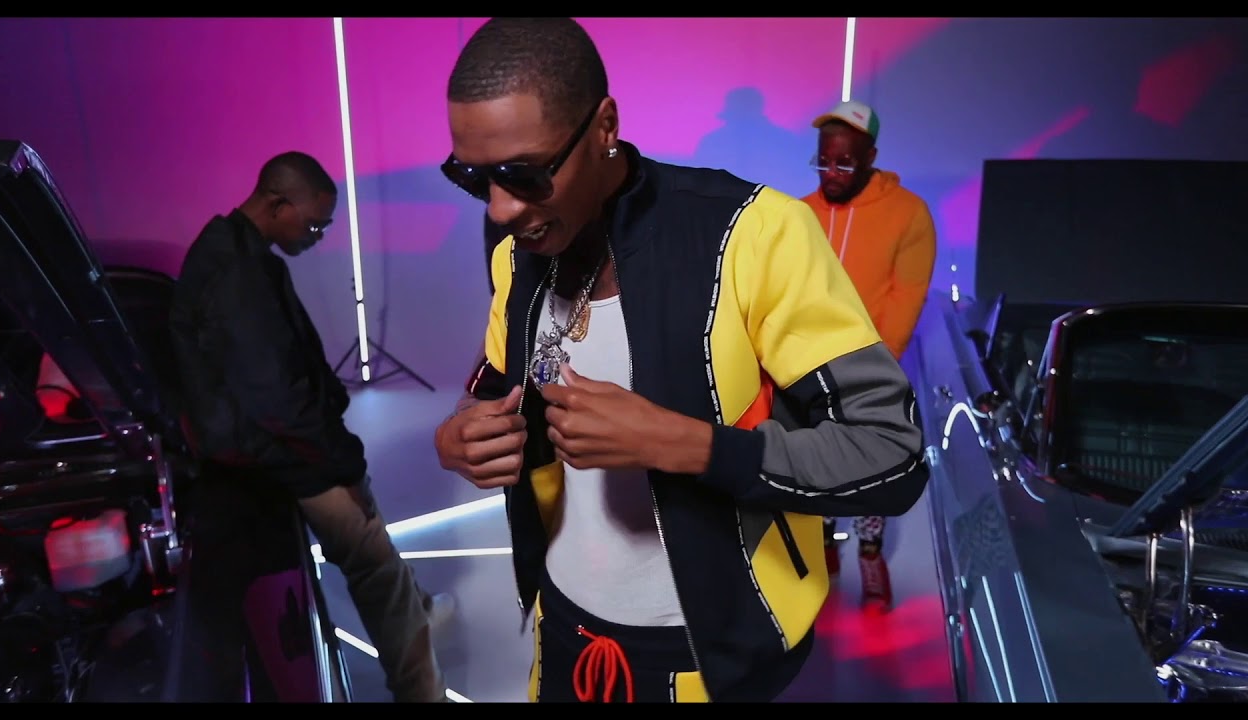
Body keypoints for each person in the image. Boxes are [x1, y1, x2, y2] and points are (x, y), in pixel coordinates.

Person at [433, 18, 929, 704]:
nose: (501, 207)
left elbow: (892, 453)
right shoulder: (516, 256)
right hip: (562, 632)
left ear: (604, 126)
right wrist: (463, 431)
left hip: (702, 659)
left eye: (526, 174)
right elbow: (496, 384)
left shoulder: (753, 235)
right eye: (473, 177)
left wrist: (687, 445)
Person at [168, 151, 453, 702]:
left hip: (267, 442)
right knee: (374, 564)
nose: (318, 236)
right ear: (278, 204)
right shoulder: (238, 277)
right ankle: (423, 693)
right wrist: (342, 460)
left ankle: (418, 609)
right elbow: (277, 400)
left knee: (373, 544)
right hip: (278, 452)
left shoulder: (233, 250)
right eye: (315, 224)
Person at [801, 100, 937, 612]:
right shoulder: (802, 213)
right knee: (814, 464)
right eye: (823, 162)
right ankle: (823, 549)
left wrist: (877, 368)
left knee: (870, 471)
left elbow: (907, 294)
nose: (831, 174)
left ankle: (870, 556)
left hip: (873, 372)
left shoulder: (908, 213)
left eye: (845, 163)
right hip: (807, 371)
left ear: (871, 157)